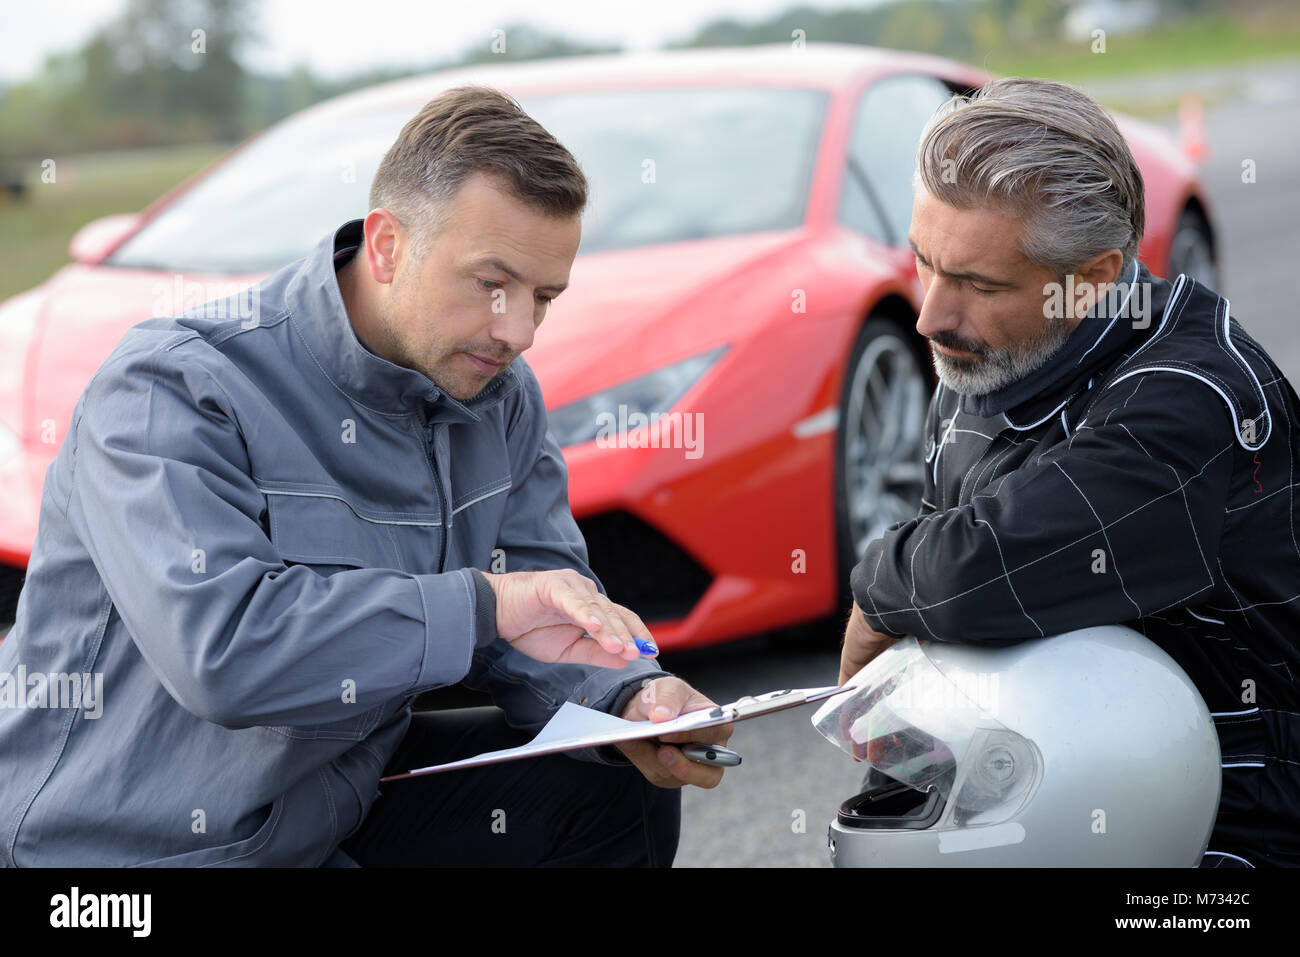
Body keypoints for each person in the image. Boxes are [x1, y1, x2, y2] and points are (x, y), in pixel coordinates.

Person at [0, 85, 730, 867]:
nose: (517, 330)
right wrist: (482, 604)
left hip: (330, 815)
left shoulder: (496, 394)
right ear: (386, 246)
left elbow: (545, 607)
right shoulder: (173, 387)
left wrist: (631, 700)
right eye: (492, 284)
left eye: (542, 297)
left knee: (613, 777)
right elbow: (224, 653)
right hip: (123, 860)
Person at [838, 77, 1300, 867]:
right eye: (925, 263)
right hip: (1060, 779)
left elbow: (972, 570)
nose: (931, 315)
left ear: (1092, 276)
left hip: (1237, 817)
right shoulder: (984, 356)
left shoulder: (1187, 401)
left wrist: (876, 589)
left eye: (979, 285)